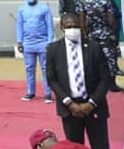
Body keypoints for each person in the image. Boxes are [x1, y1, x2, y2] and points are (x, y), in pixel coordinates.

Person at [45, 13, 112, 149]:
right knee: (74, 146)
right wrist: (69, 102)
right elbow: (52, 80)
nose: (73, 29)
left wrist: (91, 103)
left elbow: (105, 79)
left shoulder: (94, 47)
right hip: (70, 110)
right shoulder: (53, 49)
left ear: (81, 26)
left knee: (101, 145)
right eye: (69, 26)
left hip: (94, 107)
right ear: (62, 28)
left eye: (76, 26)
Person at [83, 0, 123, 92]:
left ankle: (94, 83)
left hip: (91, 35)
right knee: (110, 58)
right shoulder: (106, 1)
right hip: (105, 33)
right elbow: (111, 18)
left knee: (92, 58)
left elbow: (82, 19)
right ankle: (112, 84)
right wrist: (112, 31)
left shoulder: (84, 2)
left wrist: (85, 33)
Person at [18, 0, 55, 103]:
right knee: (29, 69)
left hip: (43, 43)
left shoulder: (44, 8)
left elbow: (50, 26)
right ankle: (31, 92)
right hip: (27, 43)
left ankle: (48, 94)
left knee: (46, 69)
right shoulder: (21, 9)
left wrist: (50, 42)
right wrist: (19, 41)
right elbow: (19, 26)